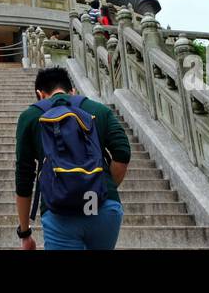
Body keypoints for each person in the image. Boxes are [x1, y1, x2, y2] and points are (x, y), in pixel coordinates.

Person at [14, 66, 130, 250]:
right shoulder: (99, 110)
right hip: (104, 209)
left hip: (59, 212)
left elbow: (23, 176)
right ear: (73, 91)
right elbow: (122, 152)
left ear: (40, 94)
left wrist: (25, 233)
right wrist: (100, 186)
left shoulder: (30, 117)